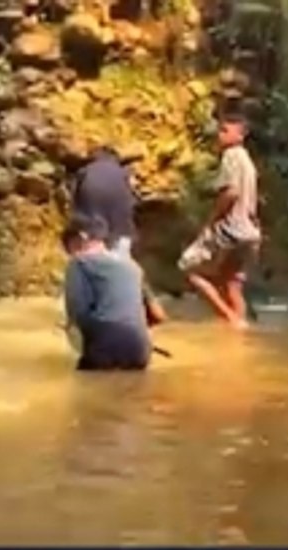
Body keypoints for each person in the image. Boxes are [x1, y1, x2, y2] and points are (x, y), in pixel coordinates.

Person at [177, 113, 262, 329]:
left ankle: (230, 319)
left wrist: (211, 221)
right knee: (232, 284)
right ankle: (238, 334)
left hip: (231, 230)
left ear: (240, 135)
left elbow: (231, 193)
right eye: (220, 130)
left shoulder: (231, 156)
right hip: (249, 232)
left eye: (225, 130)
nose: (220, 134)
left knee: (189, 270)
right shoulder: (248, 161)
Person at [62, 214, 164, 371]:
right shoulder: (133, 266)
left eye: (68, 247)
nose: (70, 254)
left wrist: (70, 328)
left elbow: (78, 311)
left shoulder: (79, 262)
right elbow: (159, 316)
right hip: (140, 350)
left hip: (105, 345)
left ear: (81, 237)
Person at [71, 146, 138, 260]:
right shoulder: (122, 171)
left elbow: (74, 194)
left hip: (92, 216)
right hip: (120, 221)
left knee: (92, 242)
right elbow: (132, 191)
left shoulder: (86, 170)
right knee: (120, 243)